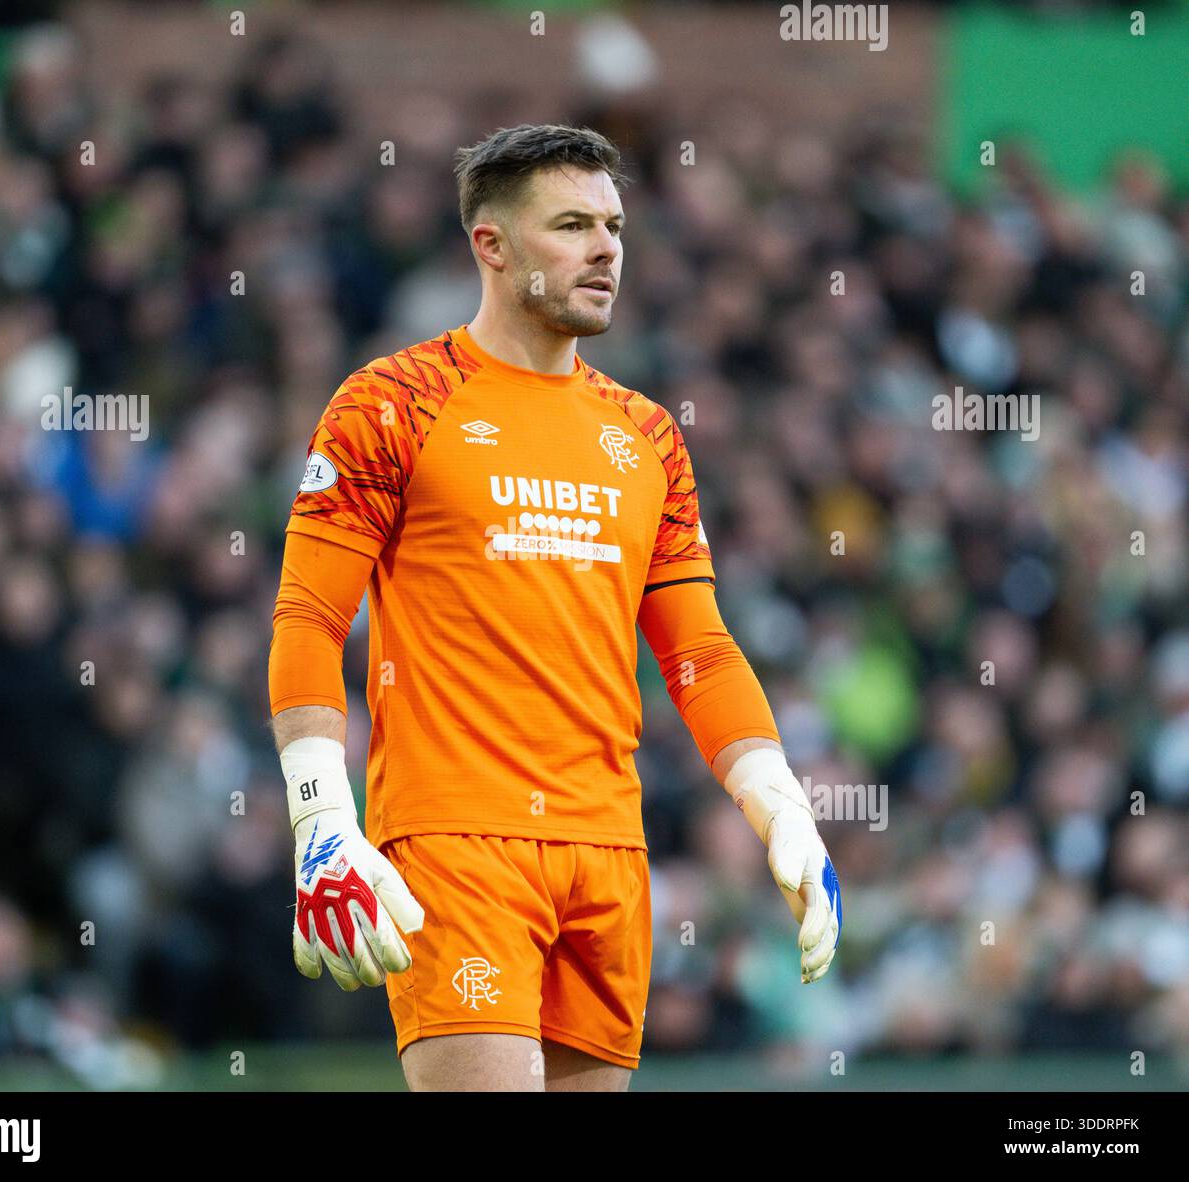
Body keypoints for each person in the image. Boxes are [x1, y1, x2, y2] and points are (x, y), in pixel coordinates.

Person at [267, 123, 842, 1092]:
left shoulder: (646, 435)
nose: (606, 248)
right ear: (490, 245)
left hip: (609, 849)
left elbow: (695, 647)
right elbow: (307, 622)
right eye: (571, 225)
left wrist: (778, 799)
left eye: (613, 226)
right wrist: (320, 814)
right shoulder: (391, 403)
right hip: (456, 842)